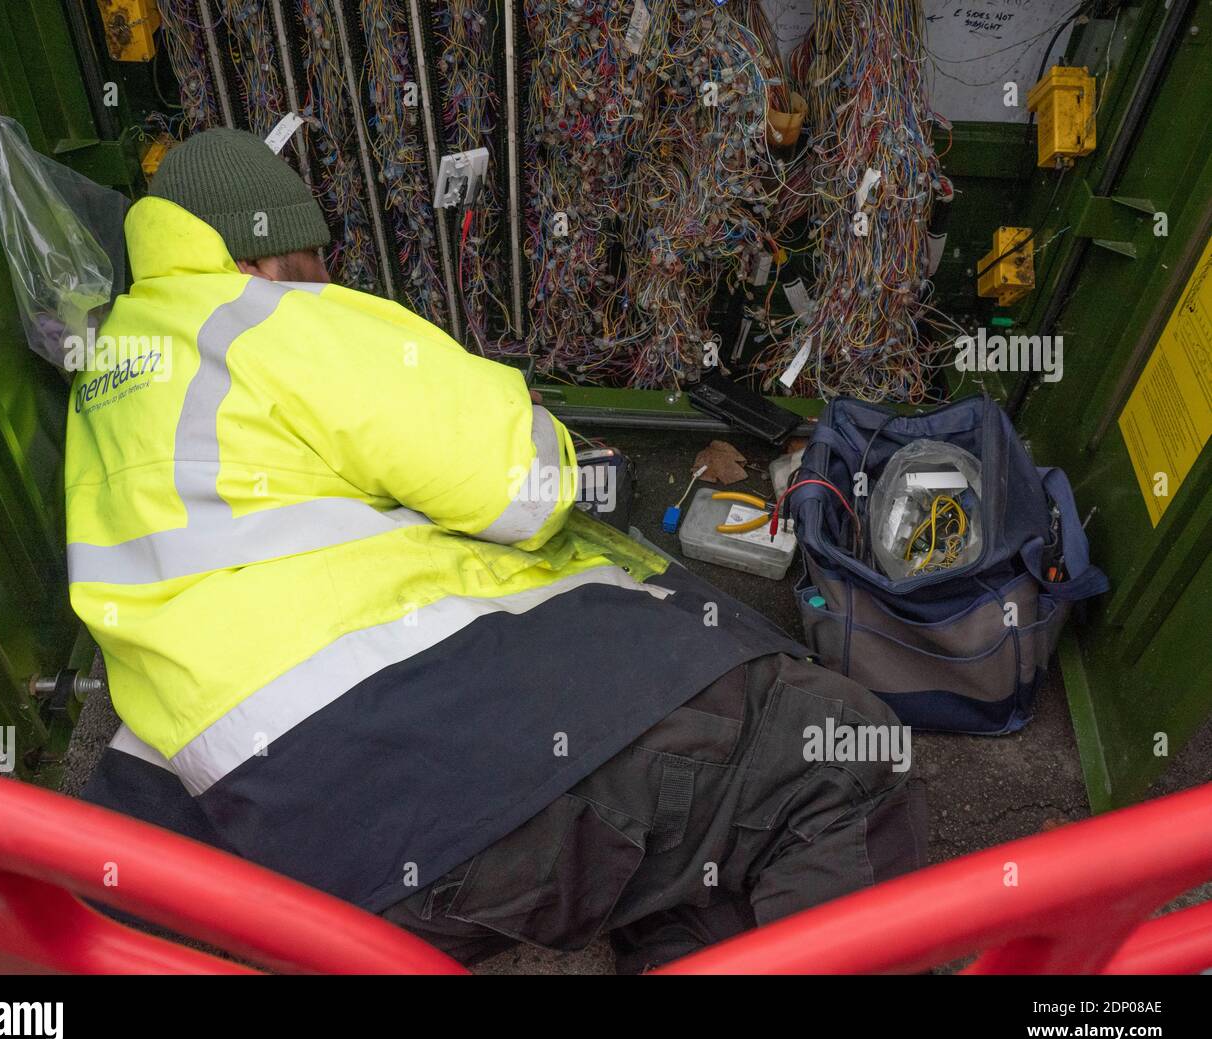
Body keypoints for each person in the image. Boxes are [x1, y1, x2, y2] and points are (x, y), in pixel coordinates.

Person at [73, 128, 924, 971]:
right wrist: (553, 447)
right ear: (266, 255)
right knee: (841, 749)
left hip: (275, 862)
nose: (326, 281)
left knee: (689, 836)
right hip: (438, 788)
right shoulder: (260, 317)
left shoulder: (112, 376)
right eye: (315, 258)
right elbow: (518, 483)